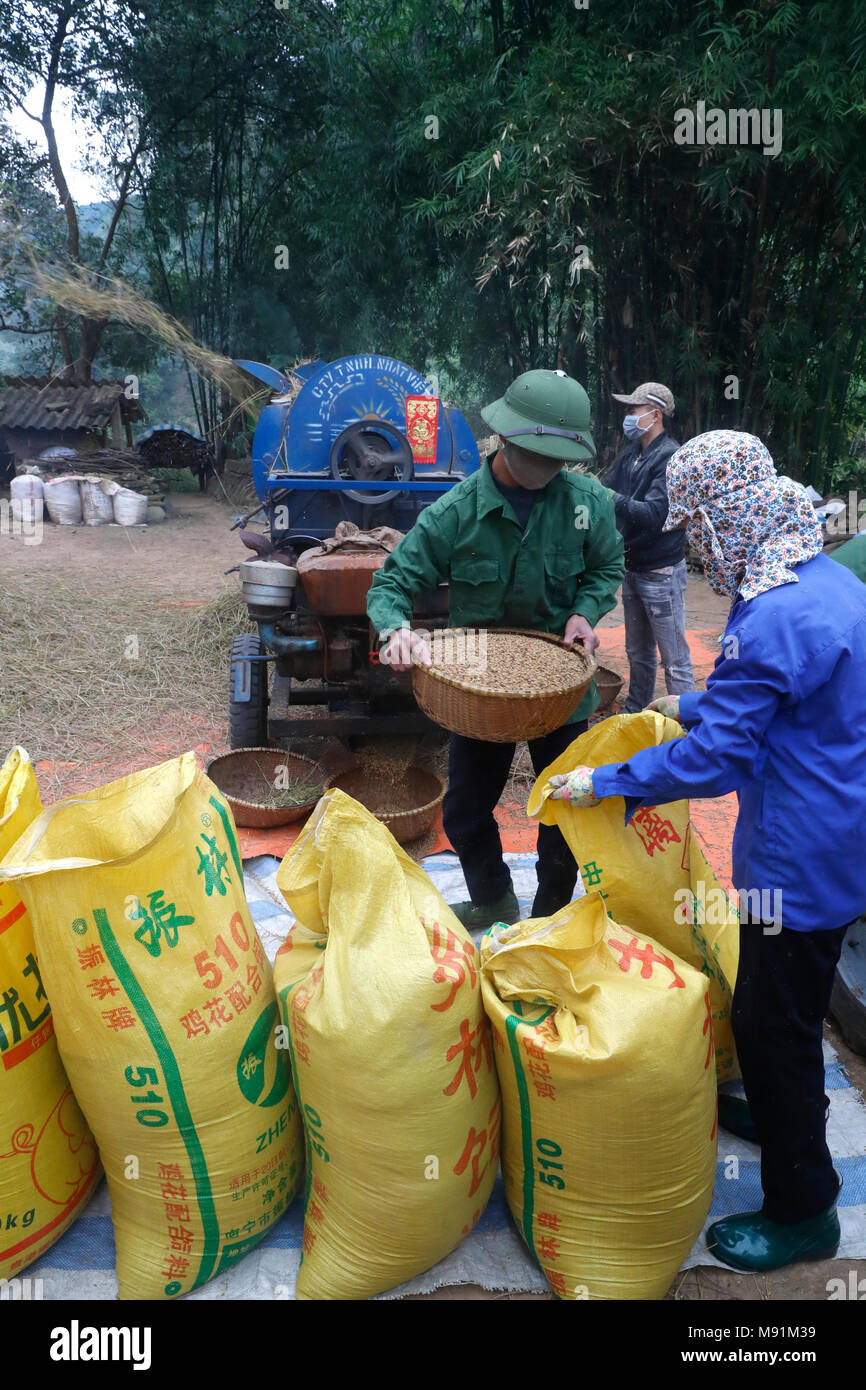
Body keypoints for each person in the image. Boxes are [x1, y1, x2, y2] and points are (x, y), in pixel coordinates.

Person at [544, 430, 866, 1273]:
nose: (695, 544)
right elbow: (765, 701)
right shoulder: (819, 577)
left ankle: (805, 1207)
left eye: (696, 526)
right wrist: (687, 704)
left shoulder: (776, 615)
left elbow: (719, 759)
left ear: (728, 515)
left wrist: (610, 781)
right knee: (779, 997)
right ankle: (773, 1100)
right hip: (840, 824)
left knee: (773, 1019)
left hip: (801, 852)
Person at [367, 368, 624, 929]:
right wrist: (397, 630)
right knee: (463, 810)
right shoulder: (455, 512)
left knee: (562, 807)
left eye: (561, 460)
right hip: (479, 686)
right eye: (541, 456)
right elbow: (391, 584)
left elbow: (607, 566)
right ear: (505, 439)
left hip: (560, 688)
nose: (551, 471)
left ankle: (550, 916)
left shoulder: (587, 503)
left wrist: (584, 611)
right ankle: (492, 899)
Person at [602, 382, 695, 710]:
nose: (628, 416)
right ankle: (635, 712)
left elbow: (654, 514)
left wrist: (608, 498)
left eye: (633, 410)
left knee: (675, 657)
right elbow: (607, 487)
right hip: (634, 565)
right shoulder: (633, 453)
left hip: (661, 570)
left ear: (654, 414)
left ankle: (684, 723)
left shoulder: (670, 457)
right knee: (637, 652)